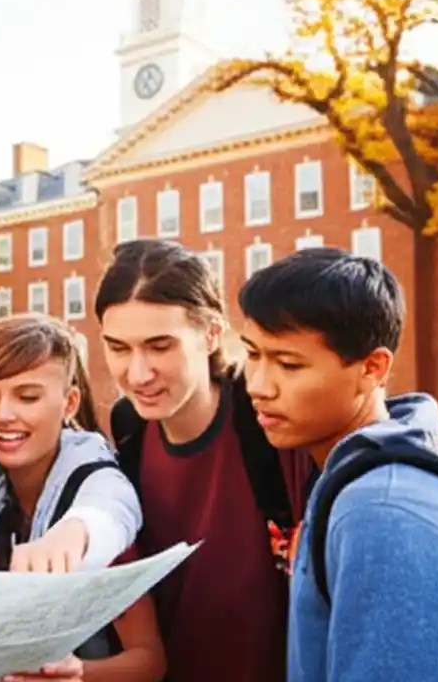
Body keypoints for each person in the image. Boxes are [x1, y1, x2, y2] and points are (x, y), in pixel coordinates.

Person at [237, 248, 438, 681]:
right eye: (252, 354)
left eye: (288, 364)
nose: (257, 385)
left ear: (372, 367)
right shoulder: (361, 478)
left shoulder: (384, 513)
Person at [94, 238, 317, 682]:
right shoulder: (128, 436)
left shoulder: (271, 427)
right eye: (118, 348)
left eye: (160, 346)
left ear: (212, 333)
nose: (137, 374)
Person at [0, 313, 164, 682]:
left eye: (27, 397)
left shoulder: (89, 481)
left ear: (70, 403)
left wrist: (76, 674)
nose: (3, 415)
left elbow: (150, 661)